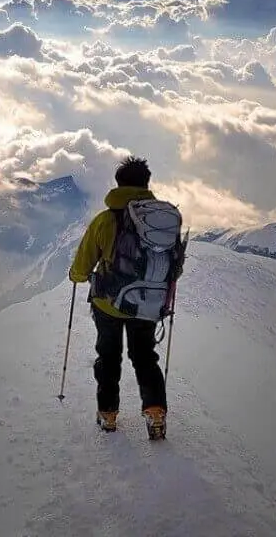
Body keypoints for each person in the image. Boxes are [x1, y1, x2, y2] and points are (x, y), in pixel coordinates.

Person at [68, 156, 180, 439]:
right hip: (148, 304)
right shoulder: (161, 223)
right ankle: (155, 412)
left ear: (118, 185)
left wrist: (77, 276)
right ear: (146, 184)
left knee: (108, 356)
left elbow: (83, 265)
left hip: (109, 304)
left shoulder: (105, 220)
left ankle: (108, 414)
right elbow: (172, 265)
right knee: (144, 357)